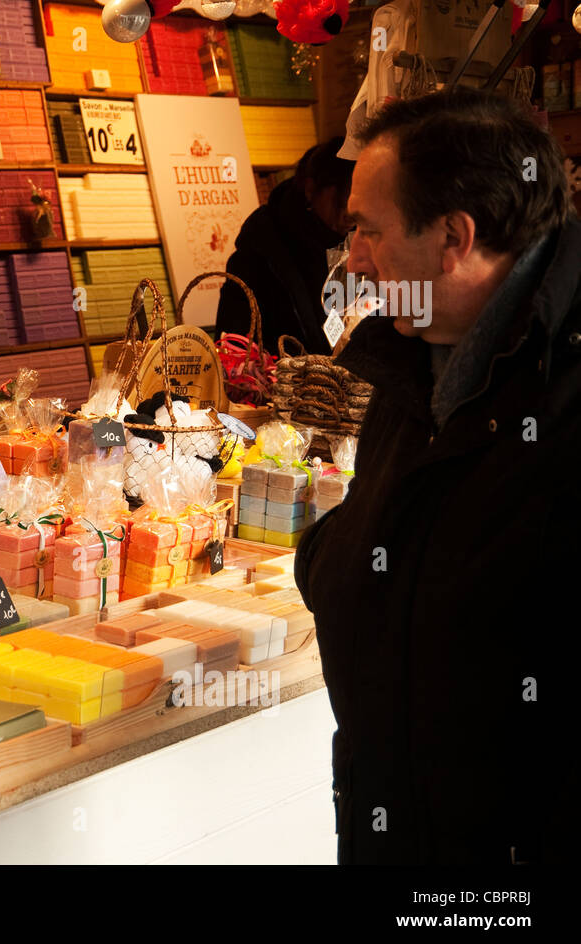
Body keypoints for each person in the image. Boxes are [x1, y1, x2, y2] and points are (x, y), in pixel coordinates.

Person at [294, 87, 579, 864]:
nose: (353, 256)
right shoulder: (411, 357)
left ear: (454, 236)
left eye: (368, 228)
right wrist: (326, 557)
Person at [214, 138, 354, 354]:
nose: (350, 212)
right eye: (343, 197)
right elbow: (233, 343)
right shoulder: (261, 249)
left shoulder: (357, 242)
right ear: (311, 189)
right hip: (282, 371)